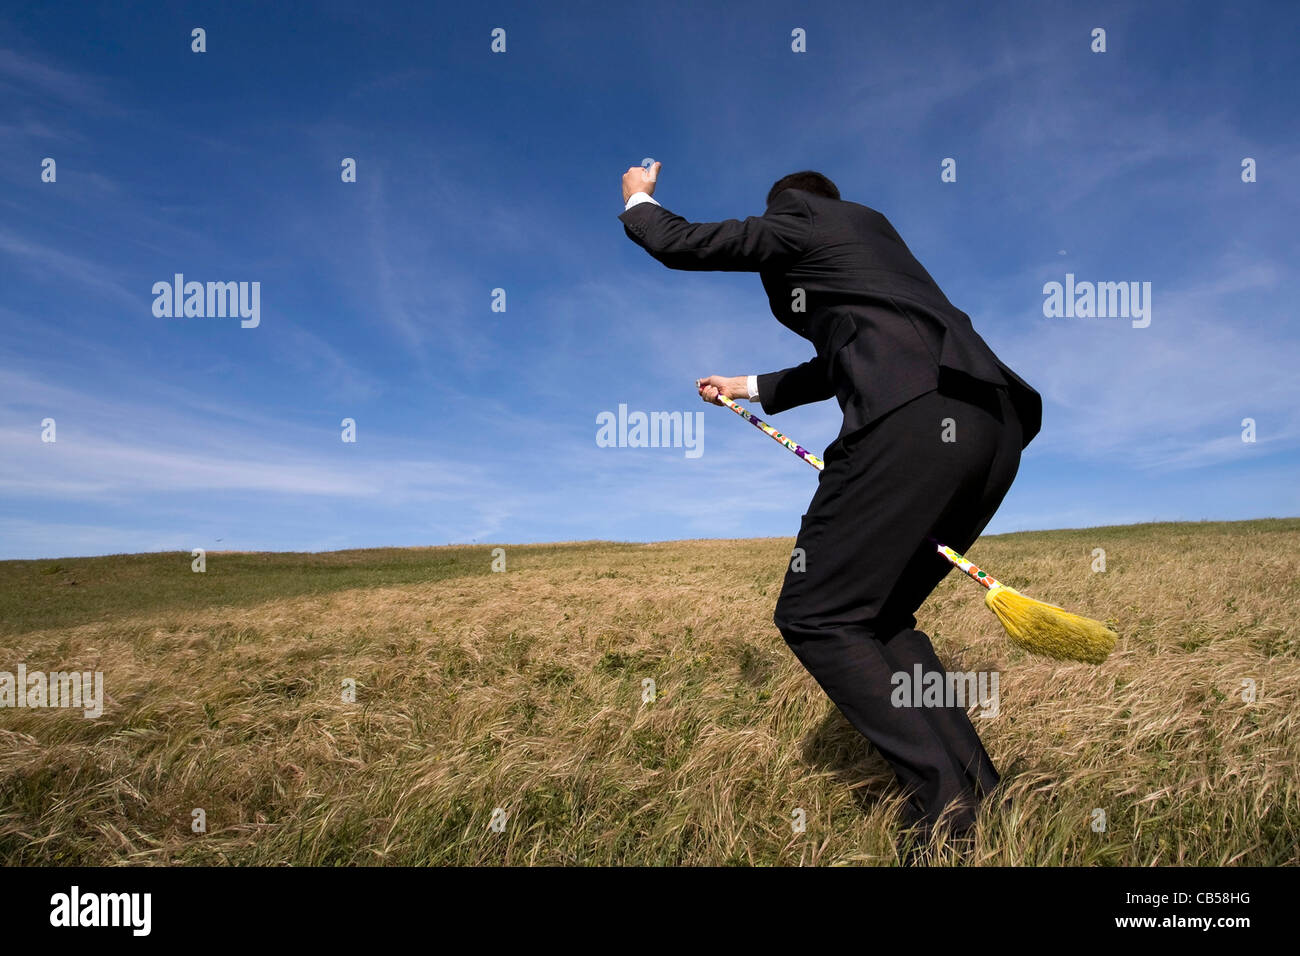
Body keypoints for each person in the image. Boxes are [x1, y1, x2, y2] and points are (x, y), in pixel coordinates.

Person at [618, 163, 1042, 839]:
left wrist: (639, 195)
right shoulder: (875, 248)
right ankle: (983, 796)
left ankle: (943, 811)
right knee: (879, 619)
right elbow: (842, 357)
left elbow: (684, 243)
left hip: (912, 416)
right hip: (992, 424)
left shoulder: (802, 216)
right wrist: (747, 385)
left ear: (789, 203)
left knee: (815, 613)